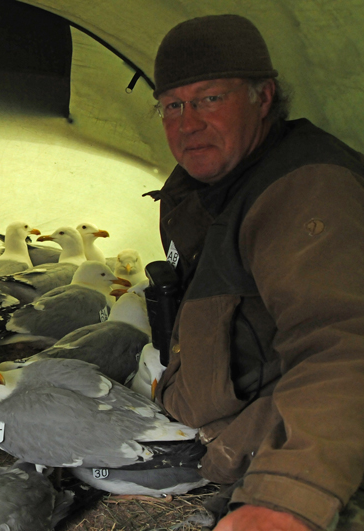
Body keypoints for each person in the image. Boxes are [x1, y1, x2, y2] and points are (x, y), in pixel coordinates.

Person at [147, 14, 364, 531]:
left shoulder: (306, 191)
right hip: (226, 446)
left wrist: (287, 496)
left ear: (263, 98)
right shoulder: (204, 185)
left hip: (293, 452)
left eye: (209, 99)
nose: (188, 122)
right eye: (173, 105)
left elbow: (345, 340)